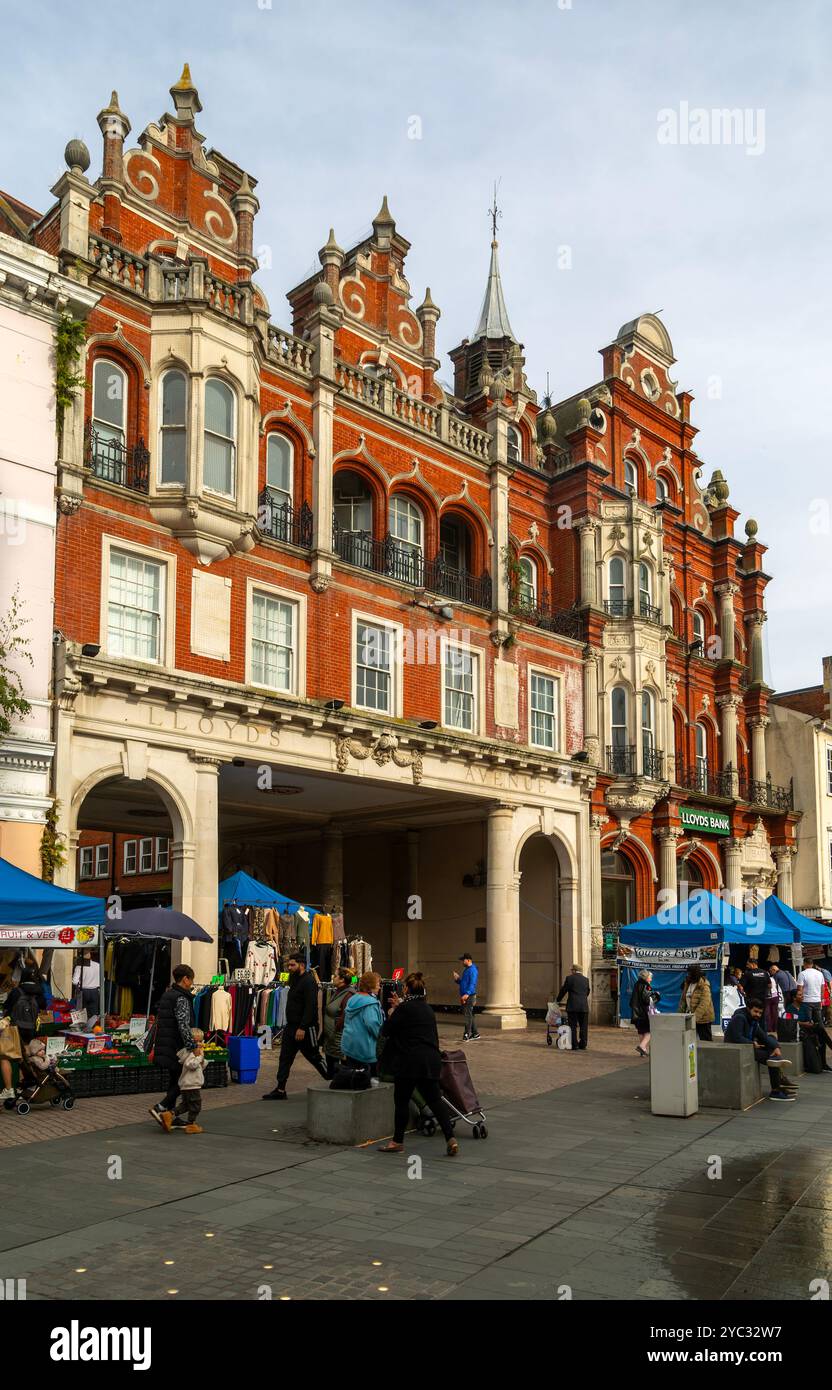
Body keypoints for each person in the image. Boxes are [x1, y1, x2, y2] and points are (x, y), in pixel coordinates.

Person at [377, 972, 459, 1157]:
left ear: (406, 989)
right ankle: (450, 1138)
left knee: (402, 1101)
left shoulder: (404, 1009)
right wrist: (400, 1008)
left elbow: (387, 1031)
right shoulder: (427, 1009)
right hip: (430, 1060)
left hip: (409, 1061)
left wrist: (393, 1012)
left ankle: (397, 1141)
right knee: (435, 1100)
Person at [263, 952, 328, 1099]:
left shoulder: (308, 981)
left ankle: (333, 1079)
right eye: (288, 965)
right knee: (285, 1057)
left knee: (314, 1057)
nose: (289, 968)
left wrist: (303, 1028)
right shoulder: (295, 980)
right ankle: (280, 1089)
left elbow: (311, 1007)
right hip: (291, 1027)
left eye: (292, 965)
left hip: (305, 1028)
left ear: (302, 965)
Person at [149, 964, 198, 1131]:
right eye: (191, 980)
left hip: (166, 1044)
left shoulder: (167, 995)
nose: (192, 984)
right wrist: (192, 1046)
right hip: (176, 1046)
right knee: (183, 1080)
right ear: (185, 979)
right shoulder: (181, 998)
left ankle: (169, 1116)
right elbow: (183, 1025)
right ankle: (161, 1107)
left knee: (175, 1080)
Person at [724, 999, 795, 1101]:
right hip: (738, 1049)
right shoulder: (740, 1018)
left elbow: (764, 1037)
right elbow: (736, 1037)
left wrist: (776, 1047)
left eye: (760, 1013)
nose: (758, 1015)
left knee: (772, 1041)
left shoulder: (753, 1021)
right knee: (773, 1058)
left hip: (748, 1047)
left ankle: (780, 1083)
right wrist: (752, 1043)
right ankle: (777, 1088)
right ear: (749, 1009)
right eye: (755, 1011)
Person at [0, 965, 46, 1102]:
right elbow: (44, 1006)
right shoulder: (39, 992)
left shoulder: (17, 991)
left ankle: (8, 1090)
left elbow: (6, 1006)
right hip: (30, 1029)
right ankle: (22, 1086)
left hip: (13, 1029)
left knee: (4, 1057)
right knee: (24, 1059)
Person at [340, 971, 384, 1076]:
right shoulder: (370, 1003)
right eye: (378, 984)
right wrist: (381, 1038)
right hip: (365, 1048)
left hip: (350, 1046)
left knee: (353, 1077)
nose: (379, 987)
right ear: (370, 985)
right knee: (368, 1080)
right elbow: (372, 1023)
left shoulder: (352, 999)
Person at [322, 966, 356, 1079]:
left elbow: (345, 1016)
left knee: (339, 1069)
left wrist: (335, 1029)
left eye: (335, 976)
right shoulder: (337, 992)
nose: (333, 978)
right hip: (332, 1037)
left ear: (342, 979)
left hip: (338, 1038)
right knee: (331, 1067)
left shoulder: (348, 994)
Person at [171, 1028, 206, 1132]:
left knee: (186, 1105)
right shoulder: (190, 1053)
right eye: (196, 1042)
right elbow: (191, 1065)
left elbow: (199, 1067)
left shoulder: (193, 1053)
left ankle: (169, 1114)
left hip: (187, 1084)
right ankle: (191, 1124)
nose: (199, 1044)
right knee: (196, 1105)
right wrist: (199, 1058)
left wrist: (202, 1060)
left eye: (201, 1041)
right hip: (192, 1084)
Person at [556, 963, 591, 1051]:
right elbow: (587, 992)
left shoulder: (570, 978)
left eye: (572, 970)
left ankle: (574, 1045)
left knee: (573, 1026)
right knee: (583, 1026)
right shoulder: (586, 980)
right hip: (583, 1006)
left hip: (573, 1006)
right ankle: (583, 1044)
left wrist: (558, 1000)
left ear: (574, 971)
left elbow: (563, 990)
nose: (571, 972)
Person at [678, 963, 714, 1041]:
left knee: (705, 1041)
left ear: (695, 974)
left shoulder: (704, 985)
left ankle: (707, 1053)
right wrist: (679, 1014)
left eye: (690, 973)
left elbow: (704, 1004)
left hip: (703, 1019)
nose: (688, 975)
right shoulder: (687, 983)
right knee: (689, 1041)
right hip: (689, 1017)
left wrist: (694, 1018)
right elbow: (683, 1000)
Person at [630, 969, 659, 1056]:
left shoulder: (636, 984)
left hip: (636, 1012)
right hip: (644, 1012)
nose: (651, 979)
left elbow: (633, 1000)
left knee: (641, 1031)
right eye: (650, 977)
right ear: (646, 977)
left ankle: (643, 1051)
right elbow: (647, 1000)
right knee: (649, 1031)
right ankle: (642, 1046)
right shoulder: (646, 986)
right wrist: (656, 995)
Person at [452, 953, 480, 1041]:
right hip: (465, 995)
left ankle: (466, 1034)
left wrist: (467, 994)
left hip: (469, 996)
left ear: (468, 960)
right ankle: (475, 1033)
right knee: (469, 1015)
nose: (462, 962)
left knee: (468, 1015)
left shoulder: (473, 970)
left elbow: (472, 984)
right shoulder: (466, 970)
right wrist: (458, 980)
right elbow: (464, 983)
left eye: (463, 960)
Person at [72, 950, 100, 1018]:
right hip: (95, 991)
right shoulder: (98, 965)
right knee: (93, 1014)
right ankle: (93, 1027)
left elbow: (74, 981)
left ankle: (84, 1027)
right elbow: (103, 979)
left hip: (83, 991)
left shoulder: (79, 966)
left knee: (82, 1014)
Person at [797, 959, 825, 1026]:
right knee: (818, 1021)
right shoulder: (820, 973)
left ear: (804, 964)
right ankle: (821, 1034)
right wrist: (821, 999)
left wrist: (798, 1000)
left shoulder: (802, 974)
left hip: (806, 1001)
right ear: (812, 964)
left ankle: (809, 1035)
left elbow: (799, 989)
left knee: (807, 1022)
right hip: (817, 1000)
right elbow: (822, 988)